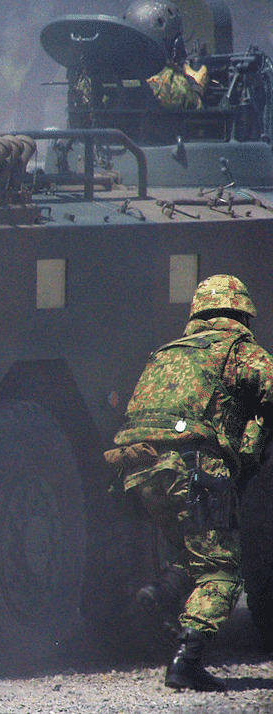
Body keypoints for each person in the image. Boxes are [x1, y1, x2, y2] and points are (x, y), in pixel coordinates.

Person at [105, 274, 273, 692]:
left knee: (195, 551)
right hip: (194, 470)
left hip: (139, 473)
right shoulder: (239, 352)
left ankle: (158, 593)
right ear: (241, 313)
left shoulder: (166, 353)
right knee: (221, 569)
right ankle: (187, 660)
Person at [124, 0, 209, 110]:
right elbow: (195, 108)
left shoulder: (113, 74)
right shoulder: (171, 85)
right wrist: (196, 85)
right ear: (174, 44)